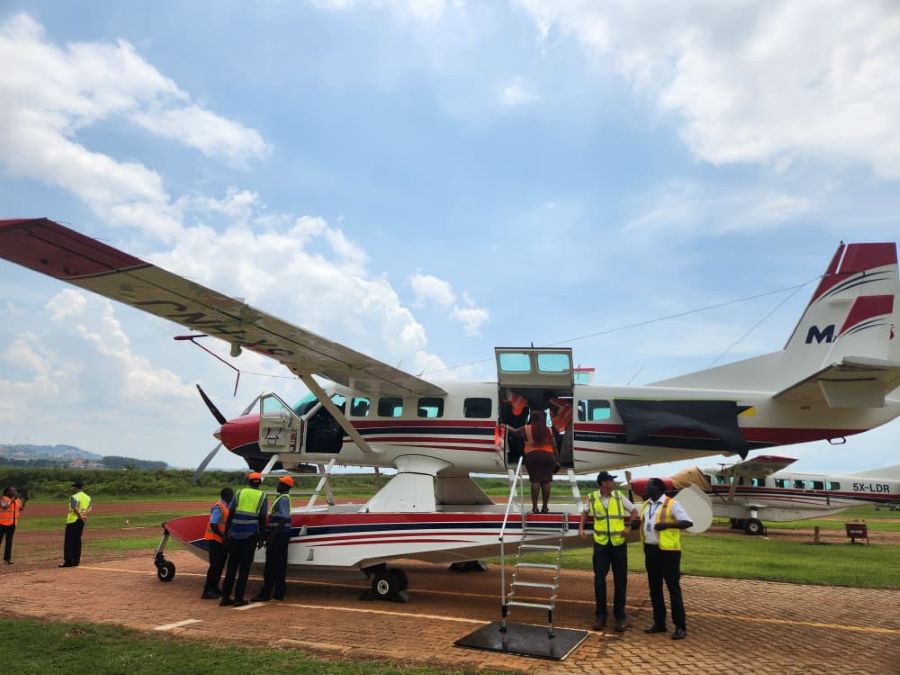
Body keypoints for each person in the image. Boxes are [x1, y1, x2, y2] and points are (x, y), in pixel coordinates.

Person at [579, 471, 638, 632]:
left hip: (618, 544)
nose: (613, 483)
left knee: (620, 581)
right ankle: (601, 616)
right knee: (599, 581)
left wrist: (629, 526)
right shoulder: (592, 498)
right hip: (601, 544)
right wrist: (581, 528)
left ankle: (620, 617)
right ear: (604, 483)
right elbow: (584, 513)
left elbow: (634, 511)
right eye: (611, 481)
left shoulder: (619, 496)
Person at [641, 477, 693, 640]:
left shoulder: (671, 504)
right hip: (651, 550)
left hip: (668, 552)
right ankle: (659, 622)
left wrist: (667, 525)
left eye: (648, 486)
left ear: (657, 488)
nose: (646, 489)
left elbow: (687, 522)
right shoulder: (646, 504)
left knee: (673, 588)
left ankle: (680, 625)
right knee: (654, 588)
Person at [220, 472, 267, 607]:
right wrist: (262, 537)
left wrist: (226, 534)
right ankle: (238, 598)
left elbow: (230, 514)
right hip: (250, 535)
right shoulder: (262, 496)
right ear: (259, 483)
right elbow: (262, 518)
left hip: (234, 534)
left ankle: (225, 597)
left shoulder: (239, 493)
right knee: (244, 568)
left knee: (231, 567)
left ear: (249, 481)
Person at [253, 475, 294, 602]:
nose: (277, 485)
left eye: (280, 483)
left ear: (284, 486)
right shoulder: (283, 498)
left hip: (278, 536)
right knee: (279, 564)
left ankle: (266, 593)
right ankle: (279, 592)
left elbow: (283, 519)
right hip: (281, 535)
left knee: (271, 565)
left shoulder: (283, 499)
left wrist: (272, 535)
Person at [510, 410, 558, 513]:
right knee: (546, 482)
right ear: (542, 419)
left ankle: (535, 507)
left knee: (535, 481)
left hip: (533, 456)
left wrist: (506, 426)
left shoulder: (526, 428)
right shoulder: (548, 429)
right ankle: (545, 507)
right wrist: (557, 459)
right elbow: (554, 445)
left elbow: (515, 432)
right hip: (548, 457)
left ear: (531, 418)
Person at [201, 487, 234, 599]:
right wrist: (223, 536)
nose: (232, 496)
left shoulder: (226, 506)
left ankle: (214, 587)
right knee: (215, 566)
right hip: (215, 540)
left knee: (219, 566)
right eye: (231, 494)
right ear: (226, 495)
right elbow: (213, 524)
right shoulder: (219, 507)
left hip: (221, 541)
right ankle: (207, 590)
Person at [60, 480, 92, 567]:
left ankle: (68, 561)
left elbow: (75, 508)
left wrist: (80, 516)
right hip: (81, 521)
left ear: (76, 488)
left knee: (69, 541)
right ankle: (76, 560)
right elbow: (90, 508)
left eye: (73, 487)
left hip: (73, 520)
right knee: (77, 540)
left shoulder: (74, 497)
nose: (72, 488)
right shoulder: (88, 497)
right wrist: (84, 516)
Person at [0, 486, 26, 564]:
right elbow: (4, 507)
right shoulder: (2, 498)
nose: (14, 492)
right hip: (1, 523)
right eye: (12, 491)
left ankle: (7, 559)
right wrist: (12, 500)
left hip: (12, 523)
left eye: (15, 490)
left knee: (9, 542)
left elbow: (20, 509)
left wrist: (24, 501)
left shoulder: (17, 500)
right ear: (7, 492)